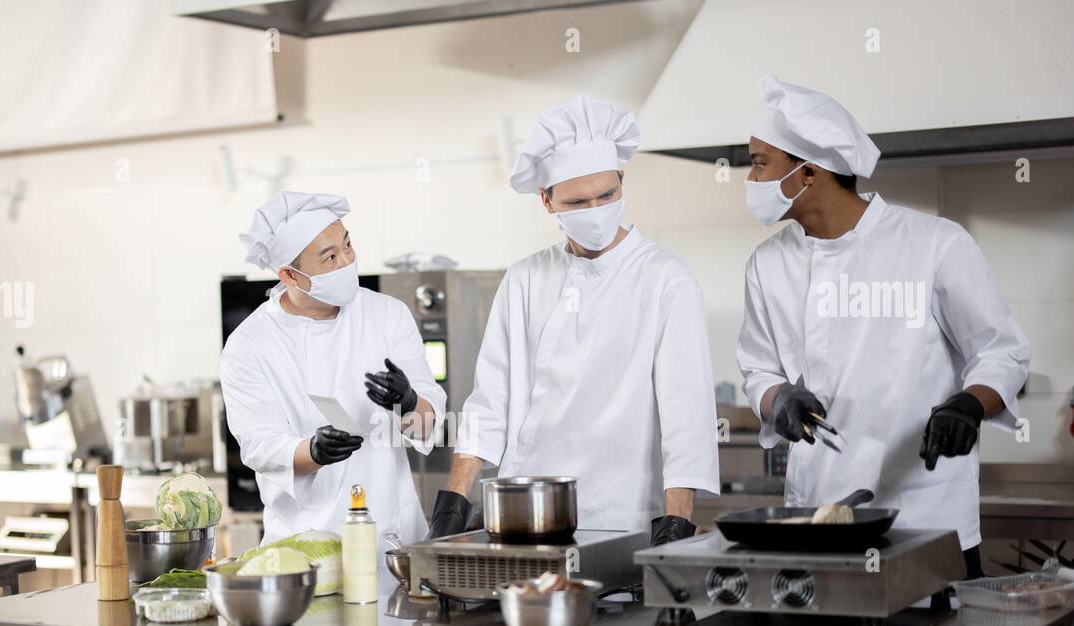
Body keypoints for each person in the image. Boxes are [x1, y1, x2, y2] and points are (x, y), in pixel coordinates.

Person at [736, 75, 1031, 580]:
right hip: (817, 518)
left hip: (925, 520)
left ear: (808, 173)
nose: (751, 178)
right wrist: (777, 398)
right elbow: (757, 368)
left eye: (761, 163)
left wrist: (969, 404)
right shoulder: (767, 263)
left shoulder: (935, 244)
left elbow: (1001, 354)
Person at [428, 95, 720, 545]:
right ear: (547, 201)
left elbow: (687, 413)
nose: (597, 211)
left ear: (622, 179)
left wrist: (677, 518)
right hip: (523, 510)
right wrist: (454, 501)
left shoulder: (665, 279)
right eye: (578, 202)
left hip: (620, 514)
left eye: (608, 194)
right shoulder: (524, 279)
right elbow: (490, 401)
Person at [221, 191, 445, 551]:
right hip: (305, 549)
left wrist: (409, 401)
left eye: (348, 245)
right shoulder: (249, 345)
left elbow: (430, 425)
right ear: (291, 276)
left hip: (393, 541)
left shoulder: (387, 315)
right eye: (329, 257)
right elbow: (259, 446)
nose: (347, 261)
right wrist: (313, 451)